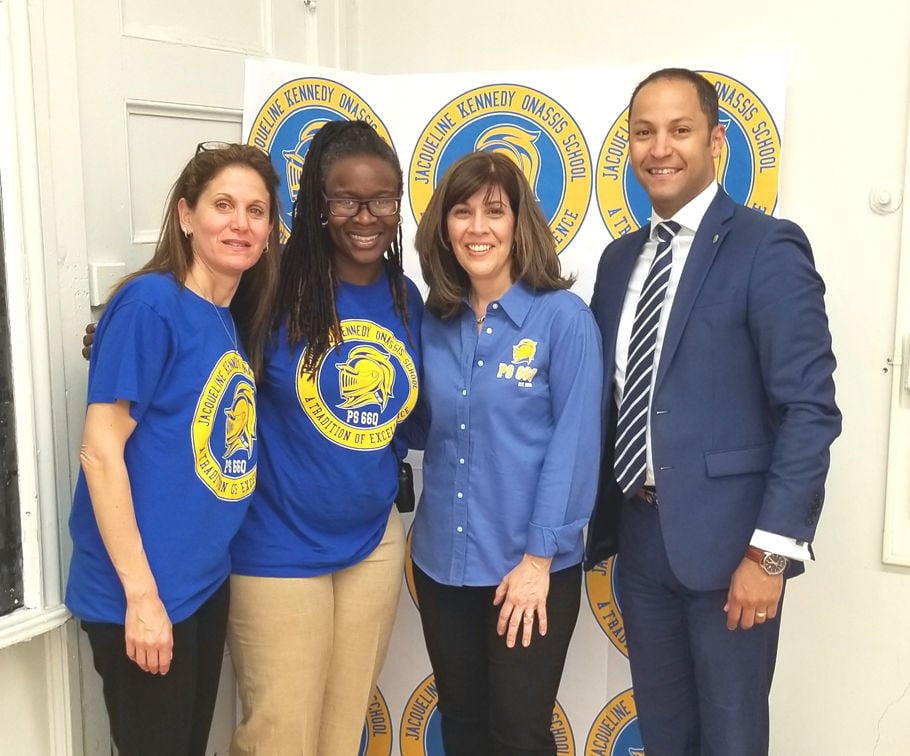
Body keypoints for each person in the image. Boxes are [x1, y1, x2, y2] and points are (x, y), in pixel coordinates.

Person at [584, 68, 842, 755]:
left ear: (716, 141)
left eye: (680, 129)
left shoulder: (767, 246)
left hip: (735, 551)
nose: (659, 147)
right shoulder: (616, 263)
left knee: (731, 737)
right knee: (665, 735)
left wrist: (770, 553)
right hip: (640, 546)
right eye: (644, 132)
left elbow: (809, 409)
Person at [65, 142, 280, 756]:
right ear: (186, 216)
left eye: (256, 211)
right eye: (223, 205)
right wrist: (141, 598)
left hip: (200, 584)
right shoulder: (149, 305)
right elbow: (100, 454)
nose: (240, 223)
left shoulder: (224, 313)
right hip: (143, 594)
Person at [227, 120, 422, 755]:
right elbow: (191, 318)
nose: (366, 216)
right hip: (276, 546)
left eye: (383, 199)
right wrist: (121, 327)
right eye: (347, 199)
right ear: (318, 202)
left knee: (343, 738)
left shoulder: (404, 294)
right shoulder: (269, 287)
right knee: (279, 737)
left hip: (373, 544)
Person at [410, 150, 603, 756]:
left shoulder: (563, 319)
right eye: (462, 212)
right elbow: (413, 425)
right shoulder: (433, 322)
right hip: (443, 564)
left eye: (495, 211)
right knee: (462, 728)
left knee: (518, 738)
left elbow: (575, 445)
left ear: (520, 223)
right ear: (443, 227)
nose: (477, 227)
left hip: (527, 572)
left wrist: (538, 561)